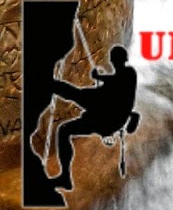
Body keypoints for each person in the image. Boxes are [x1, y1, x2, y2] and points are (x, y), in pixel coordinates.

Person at [45, 46, 140, 189]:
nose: (114, 63)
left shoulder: (128, 75)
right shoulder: (115, 84)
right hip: (107, 119)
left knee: (68, 115)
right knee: (65, 126)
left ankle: (65, 177)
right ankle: (65, 177)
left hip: (107, 119)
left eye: (115, 60)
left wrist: (99, 77)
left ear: (114, 61)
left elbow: (117, 81)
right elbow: (111, 84)